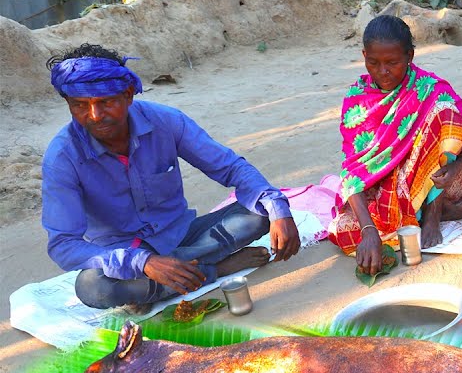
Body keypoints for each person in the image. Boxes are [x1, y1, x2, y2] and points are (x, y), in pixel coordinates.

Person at [41, 43, 300, 310]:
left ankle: (154, 288)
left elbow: (230, 167)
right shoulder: (62, 157)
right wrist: (143, 263)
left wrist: (278, 210)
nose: (95, 116)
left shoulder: (166, 121)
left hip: (182, 234)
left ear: (128, 94)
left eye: (105, 102)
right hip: (123, 257)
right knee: (93, 288)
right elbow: (64, 244)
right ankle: (216, 269)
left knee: (262, 212)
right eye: (80, 105)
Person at [333, 15, 462, 275]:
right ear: (364, 55)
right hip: (391, 191)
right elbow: (353, 172)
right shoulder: (356, 101)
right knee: (344, 231)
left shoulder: (430, 88)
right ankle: (431, 213)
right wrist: (369, 231)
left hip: (440, 182)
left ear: (410, 56)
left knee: (444, 111)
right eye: (373, 62)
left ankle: (434, 213)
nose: (382, 71)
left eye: (392, 63)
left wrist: (455, 168)